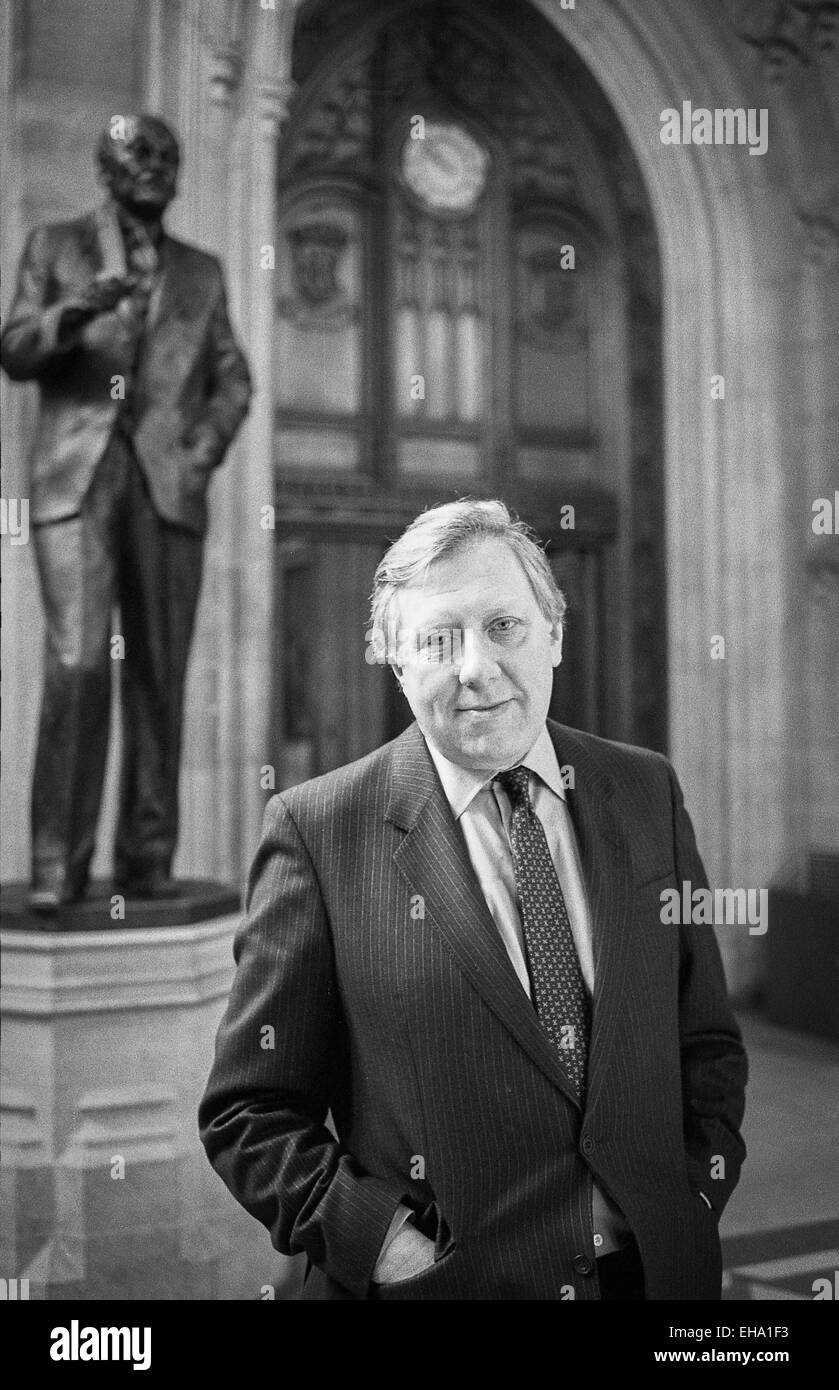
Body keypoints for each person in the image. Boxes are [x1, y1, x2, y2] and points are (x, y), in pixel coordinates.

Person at [199, 499, 747, 1300]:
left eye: (503, 627)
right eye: (436, 639)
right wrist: (385, 1248)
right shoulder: (319, 832)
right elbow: (248, 1110)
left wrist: (696, 1194)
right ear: (394, 660)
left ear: (554, 634)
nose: (474, 668)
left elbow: (705, 1040)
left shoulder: (645, 791)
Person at [1, 115, 251, 911]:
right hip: (76, 478)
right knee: (77, 665)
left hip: (165, 487)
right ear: (105, 169)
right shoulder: (55, 245)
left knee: (157, 676)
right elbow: (14, 349)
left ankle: (146, 860)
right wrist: (73, 314)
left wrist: (199, 452)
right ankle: (56, 870)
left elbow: (234, 380)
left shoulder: (202, 272)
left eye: (168, 157)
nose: (156, 168)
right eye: (138, 155)